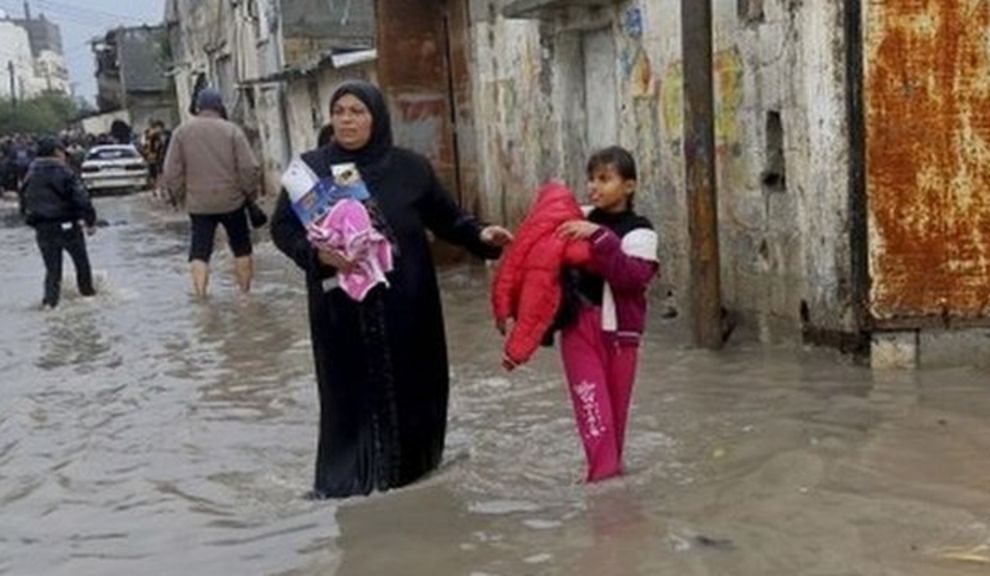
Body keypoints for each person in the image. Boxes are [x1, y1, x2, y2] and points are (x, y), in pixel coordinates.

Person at [271, 81, 513, 499]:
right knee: (349, 399)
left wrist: (482, 235)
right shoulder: (310, 171)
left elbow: (449, 219)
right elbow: (282, 228)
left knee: (414, 392)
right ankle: (346, 486)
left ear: (377, 117)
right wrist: (317, 256)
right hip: (341, 311)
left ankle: (413, 479)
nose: (346, 120)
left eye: (357, 111)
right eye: (339, 111)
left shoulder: (410, 168)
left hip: (408, 306)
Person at [554, 146, 659, 482]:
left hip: (620, 336)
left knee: (615, 416)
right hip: (577, 327)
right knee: (593, 412)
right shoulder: (578, 219)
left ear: (629, 186)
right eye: (591, 179)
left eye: (604, 179)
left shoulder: (640, 231)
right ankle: (602, 486)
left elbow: (632, 278)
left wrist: (600, 237)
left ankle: (612, 490)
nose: (593, 187)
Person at [163, 88, 261, 298]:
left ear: (198, 108)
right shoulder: (232, 131)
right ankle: (245, 296)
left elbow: (171, 171)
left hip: (199, 204)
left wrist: (179, 196)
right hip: (232, 201)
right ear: (219, 107)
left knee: (199, 251)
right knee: (241, 248)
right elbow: (248, 167)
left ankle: (201, 296)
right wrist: (249, 193)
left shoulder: (181, 132)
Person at [18, 137, 98, 309]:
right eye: (62, 152)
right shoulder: (65, 172)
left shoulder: (30, 173)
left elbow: (23, 201)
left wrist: (33, 222)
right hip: (67, 225)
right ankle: (89, 298)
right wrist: (90, 221)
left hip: (43, 228)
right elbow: (82, 199)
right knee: (82, 264)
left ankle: (50, 304)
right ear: (56, 152)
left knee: (52, 271)